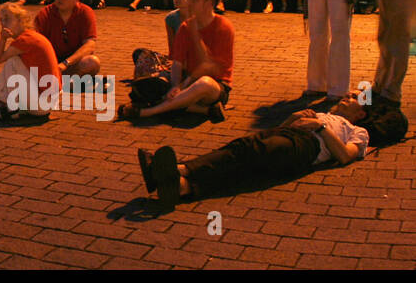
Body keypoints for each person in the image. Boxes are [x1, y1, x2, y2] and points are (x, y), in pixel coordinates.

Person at [137, 98, 406, 207]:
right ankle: (182, 186)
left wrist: (321, 127)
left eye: (351, 99)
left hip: (307, 147)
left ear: (360, 113)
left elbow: (345, 156)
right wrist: (293, 118)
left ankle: (178, 170)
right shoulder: (323, 113)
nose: (345, 97)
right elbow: (279, 130)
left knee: (248, 152)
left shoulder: (357, 130)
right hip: (289, 135)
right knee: (241, 157)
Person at [118, 0, 233, 123]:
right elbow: (177, 62)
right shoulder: (185, 26)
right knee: (155, 77)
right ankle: (202, 109)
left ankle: (148, 111)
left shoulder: (223, 27)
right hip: (188, 79)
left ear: (209, 3)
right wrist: (175, 85)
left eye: (195, 0)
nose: (190, 3)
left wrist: (181, 86)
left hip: (215, 85)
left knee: (204, 83)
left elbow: (211, 67)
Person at [0, 2, 61, 120]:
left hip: (42, 104)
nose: (3, 24)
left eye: (7, 19)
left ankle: (8, 105)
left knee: (13, 61)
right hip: (48, 100)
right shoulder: (30, 36)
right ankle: (2, 100)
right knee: (15, 63)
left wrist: (3, 39)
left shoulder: (24, 40)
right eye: (1, 20)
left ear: (20, 21)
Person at [34, 0, 101, 79]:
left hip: (73, 62)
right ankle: (70, 83)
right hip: (51, 62)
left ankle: (62, 82)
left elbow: (90, 45)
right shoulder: (45, 14)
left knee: (92, 62)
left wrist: (66, 63)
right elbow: (37, 44)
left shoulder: (85, 12)